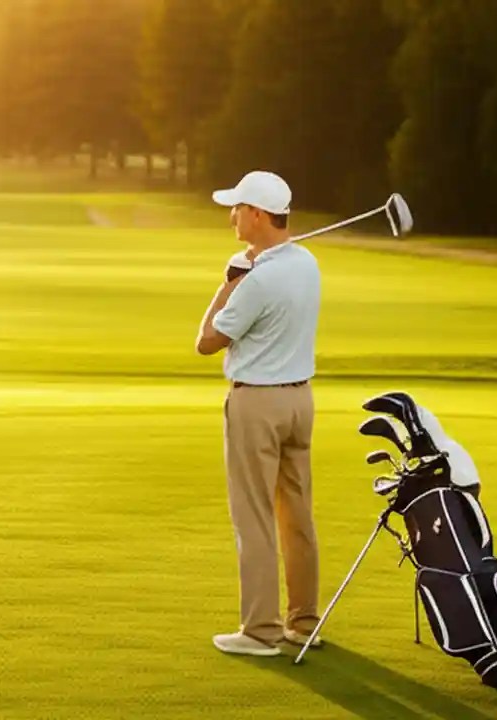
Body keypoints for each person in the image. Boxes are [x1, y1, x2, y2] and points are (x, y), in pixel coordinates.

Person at [195, 171, 323, 657]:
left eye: (236, 209)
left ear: (255, 214)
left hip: (257, 403)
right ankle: (303, 621)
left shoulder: (257, 279)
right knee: (297, 516)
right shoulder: (307, 263)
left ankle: (262, 632)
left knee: (253, 517)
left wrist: (226, 283)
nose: (231, 217)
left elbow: (206, 342)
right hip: (299, 402)